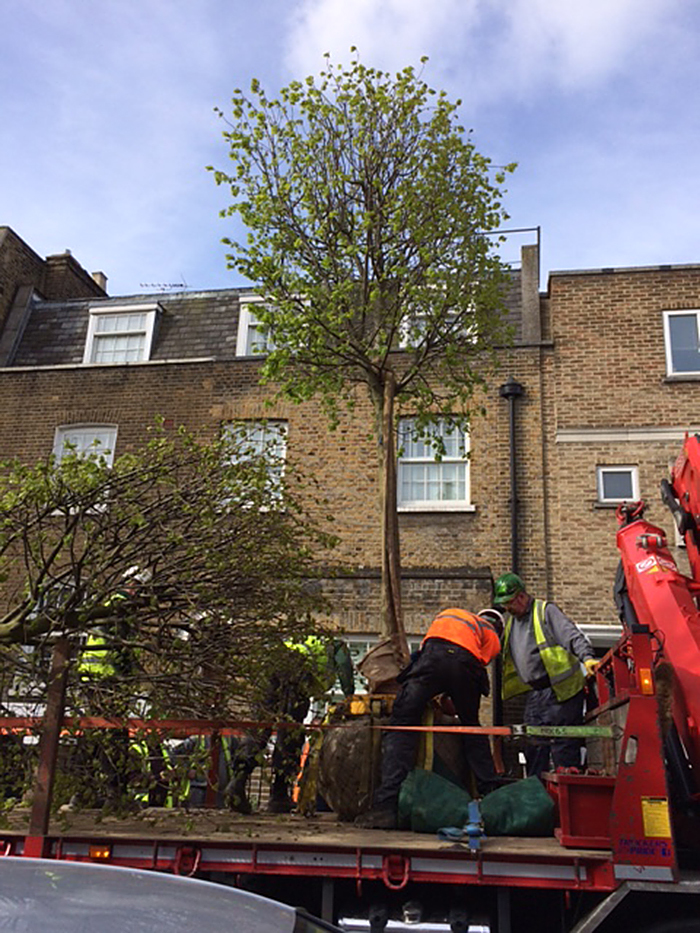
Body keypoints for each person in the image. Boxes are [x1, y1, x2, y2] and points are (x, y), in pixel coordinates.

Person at [356, 607, 503, 830]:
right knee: (471, 728)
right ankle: (490, 795)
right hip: (464, 663)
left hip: (431, 658)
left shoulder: (452, 614)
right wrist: (455, 698)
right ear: (498, 628)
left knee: (402, 727)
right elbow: (470, 667)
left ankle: (386, 807)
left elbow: (427, 656)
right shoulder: (491, 636)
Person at [227, 634, 355, 814]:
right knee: (290, 735)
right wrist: (350, 696)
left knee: (259, 729)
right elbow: (344, 668)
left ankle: (237, 783)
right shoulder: (336, 646)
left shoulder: (300, 640)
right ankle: (279, 794)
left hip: (270, 672)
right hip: (295, 675)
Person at [493, 572, 597, 779]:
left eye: (509, 603)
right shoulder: (513, 622)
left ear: (521, 597)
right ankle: (537, 797)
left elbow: (571, 635)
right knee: (535, 746)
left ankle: (566, 797)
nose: (507, 609)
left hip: (561, 691)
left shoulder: (545, 611)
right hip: (537, 694)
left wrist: (587, 658)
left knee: (564, 747)